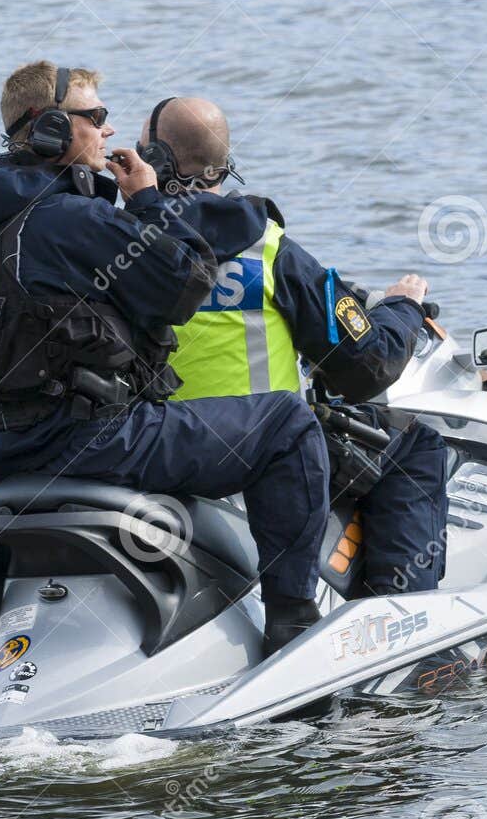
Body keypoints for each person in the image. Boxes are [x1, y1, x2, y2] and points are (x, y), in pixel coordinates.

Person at [0, 62, 330, 655]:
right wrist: (145, 200)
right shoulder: (73, 219)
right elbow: (184, 282)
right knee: (289, 425)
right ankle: (294, 623)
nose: (109, 131)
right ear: (51, 128)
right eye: (95, 118)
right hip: (91, 440)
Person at [136, 96, 449, 597]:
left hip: (151, 450)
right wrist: (404, 307)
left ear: (154, 161)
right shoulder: (268, 248)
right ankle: (403, 616)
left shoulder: (116, 239)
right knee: (417, 445)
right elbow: (367, 367)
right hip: (266, 460)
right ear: (224, 166)